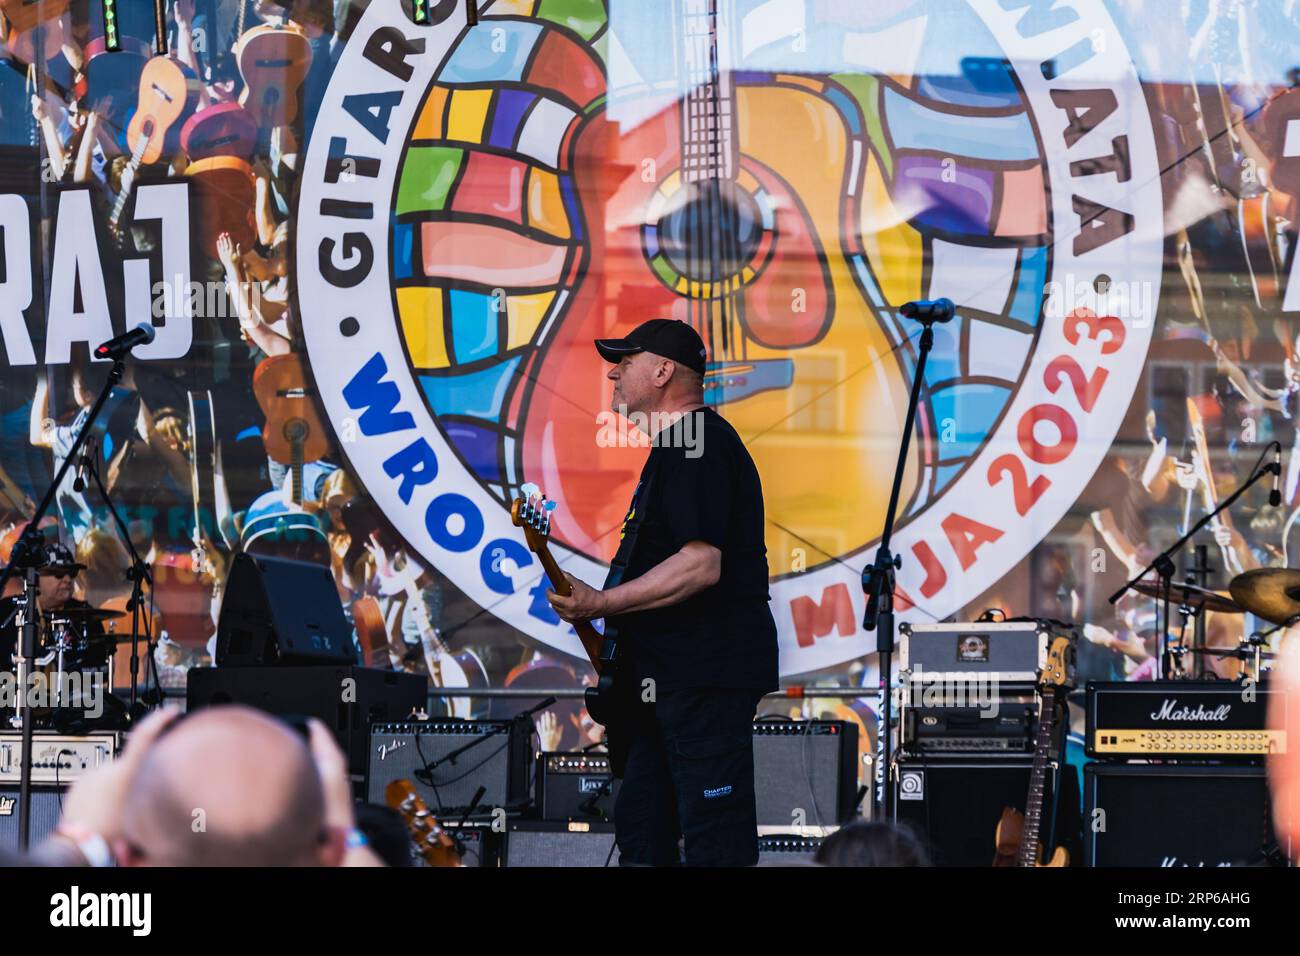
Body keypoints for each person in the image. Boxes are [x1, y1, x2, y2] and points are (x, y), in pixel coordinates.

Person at [546, 318, 779, 867]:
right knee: (642, 831)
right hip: (664, 685)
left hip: (700, 680)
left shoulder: (699, 444)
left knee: (713, 839)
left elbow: (701, 565)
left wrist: (601, 604)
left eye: (624, 364)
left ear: (662, 370)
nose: (613, 374)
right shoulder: (676, 449)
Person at [41, 705, 384, 867]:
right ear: (331, 852)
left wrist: (82, 840)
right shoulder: (339, 845)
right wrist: (345, 832)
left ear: (128, 856)